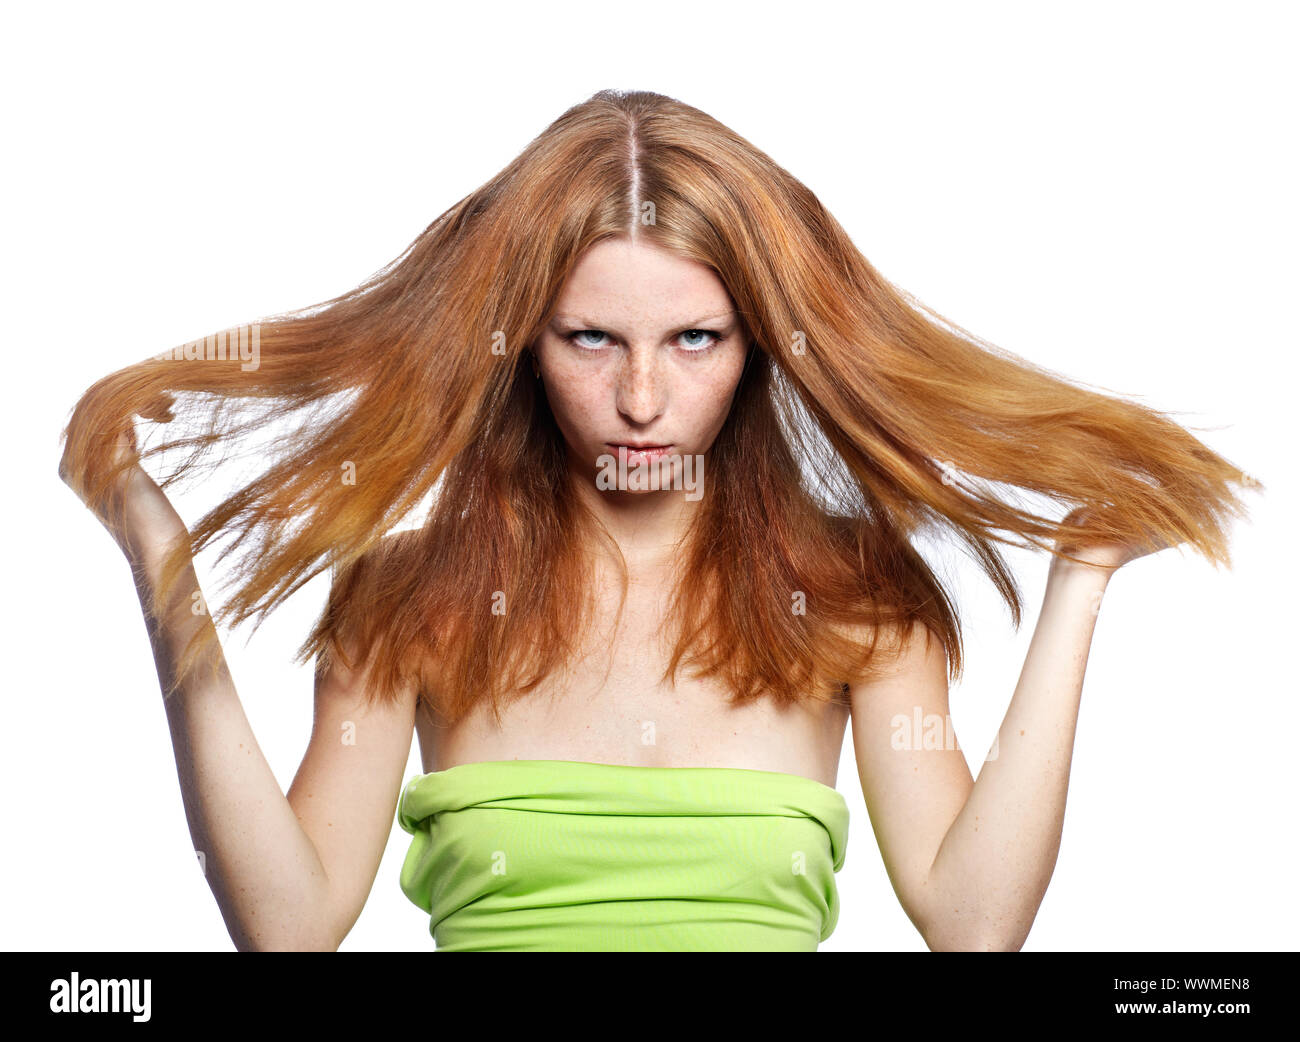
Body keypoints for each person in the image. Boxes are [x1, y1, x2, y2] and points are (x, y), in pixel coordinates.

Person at [57, 88, 1259, 952]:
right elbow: (288, 923)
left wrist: (1083, 578)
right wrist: (158, 558)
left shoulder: (857, 600)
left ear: (760, 348)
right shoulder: (407, 603)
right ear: (521, 345)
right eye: (591, 338)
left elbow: (974, 918)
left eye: (694, 338)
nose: (641, 397)